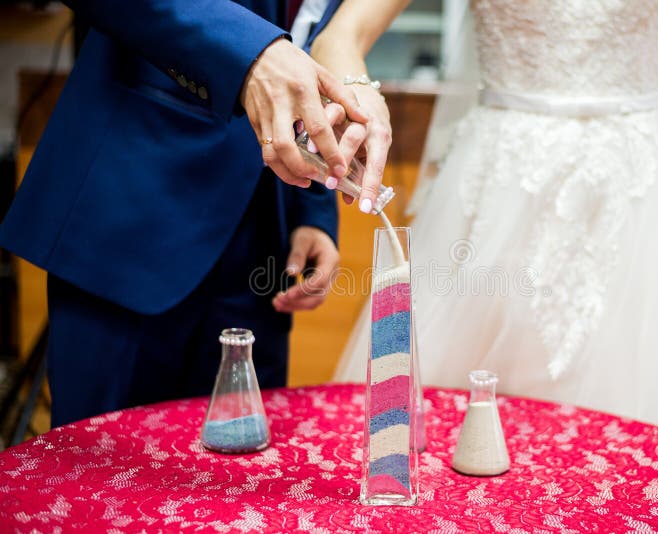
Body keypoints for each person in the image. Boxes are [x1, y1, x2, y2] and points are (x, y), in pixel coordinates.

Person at [332, 0, 658, 489]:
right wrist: (363, 98)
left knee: (646, 459)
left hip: (643, 200)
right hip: (503, 187)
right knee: (462, 453)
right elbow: (340, 36)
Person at [0, 0, 392, 427]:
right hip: (133, 208)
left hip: (262, 251)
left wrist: (311, 209)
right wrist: (251, 51)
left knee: (243, 475)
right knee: (104, 476)